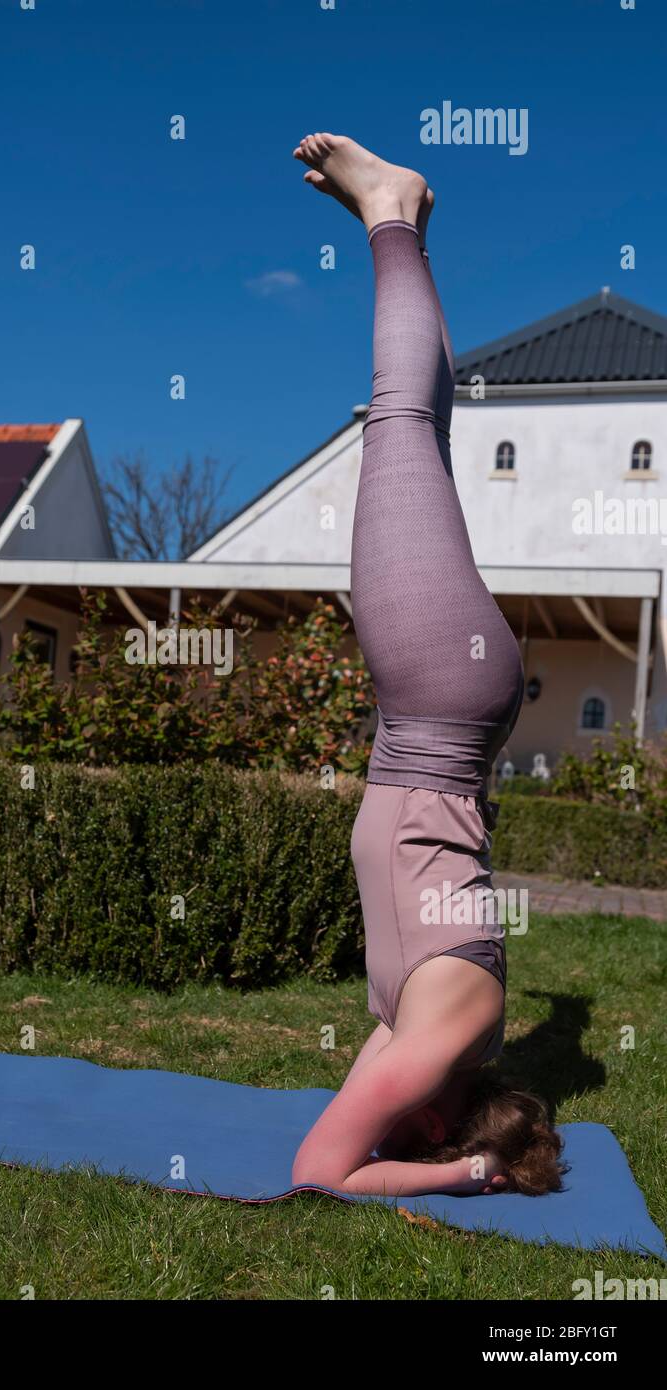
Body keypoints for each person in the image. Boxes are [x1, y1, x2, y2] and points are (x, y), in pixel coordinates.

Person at [289, 134, 564, 1198]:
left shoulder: (430, 1033)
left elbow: (351, 1131)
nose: (391, 1133)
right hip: (440, 705)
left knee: (421, 430)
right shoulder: (437, 1039)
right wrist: (462, 1180)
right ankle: (390, 215)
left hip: (447, 708)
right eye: (420, 1141)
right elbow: (320, 1173)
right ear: (447, 1121)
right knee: (399, 418)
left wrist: (440, 1148)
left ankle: (405, 226)